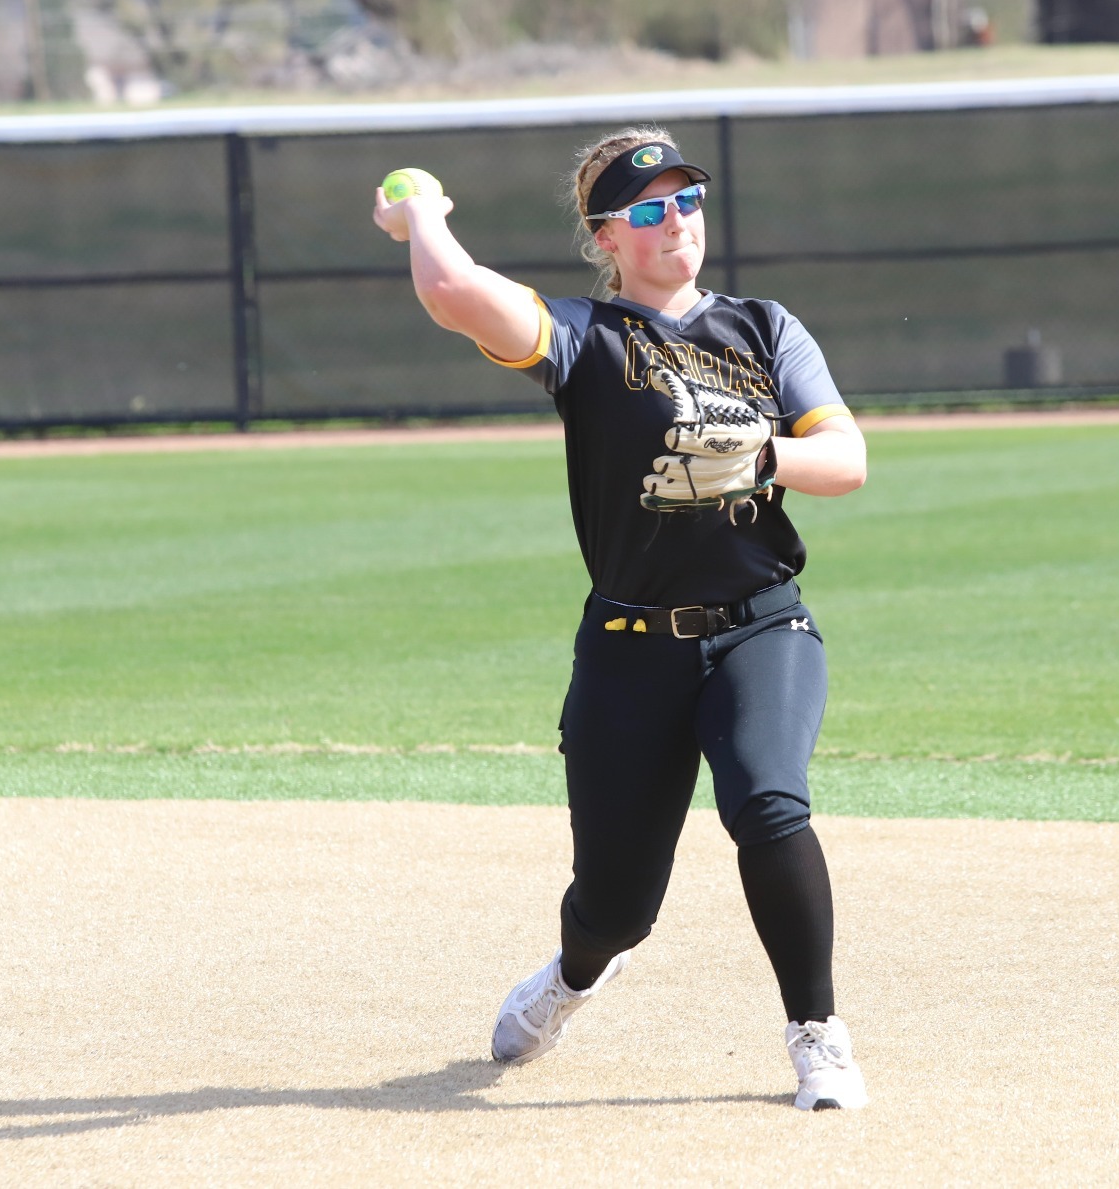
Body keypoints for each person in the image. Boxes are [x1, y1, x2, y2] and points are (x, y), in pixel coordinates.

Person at [372, 126, 871, 1111]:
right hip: (629, 647)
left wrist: (762, 454)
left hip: (758, 624)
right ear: (605, 237)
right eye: (645, 209)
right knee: (613, 907)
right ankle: (570, 975)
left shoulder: (764, 329)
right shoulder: (579, 339)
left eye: (685, 199)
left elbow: (846, 459)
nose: (673, 220)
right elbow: (451, 293)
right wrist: (419, 214)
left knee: (767, 802)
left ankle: (817, 1033)